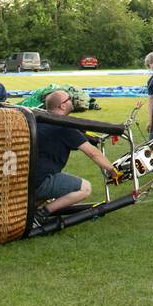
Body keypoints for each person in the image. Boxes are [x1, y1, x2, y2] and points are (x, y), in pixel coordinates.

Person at [32, 89, 121, 225]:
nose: (72, 100)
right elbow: (93, 153)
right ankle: (42, 214)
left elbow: (70, 138)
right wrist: (112, 170)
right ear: (62, 105)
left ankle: (32, 210)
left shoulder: (39, 120)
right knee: (85, 188)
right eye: (69, 99)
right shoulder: (63, 126)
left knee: (59, 178)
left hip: (27, 179)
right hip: (40, 181)